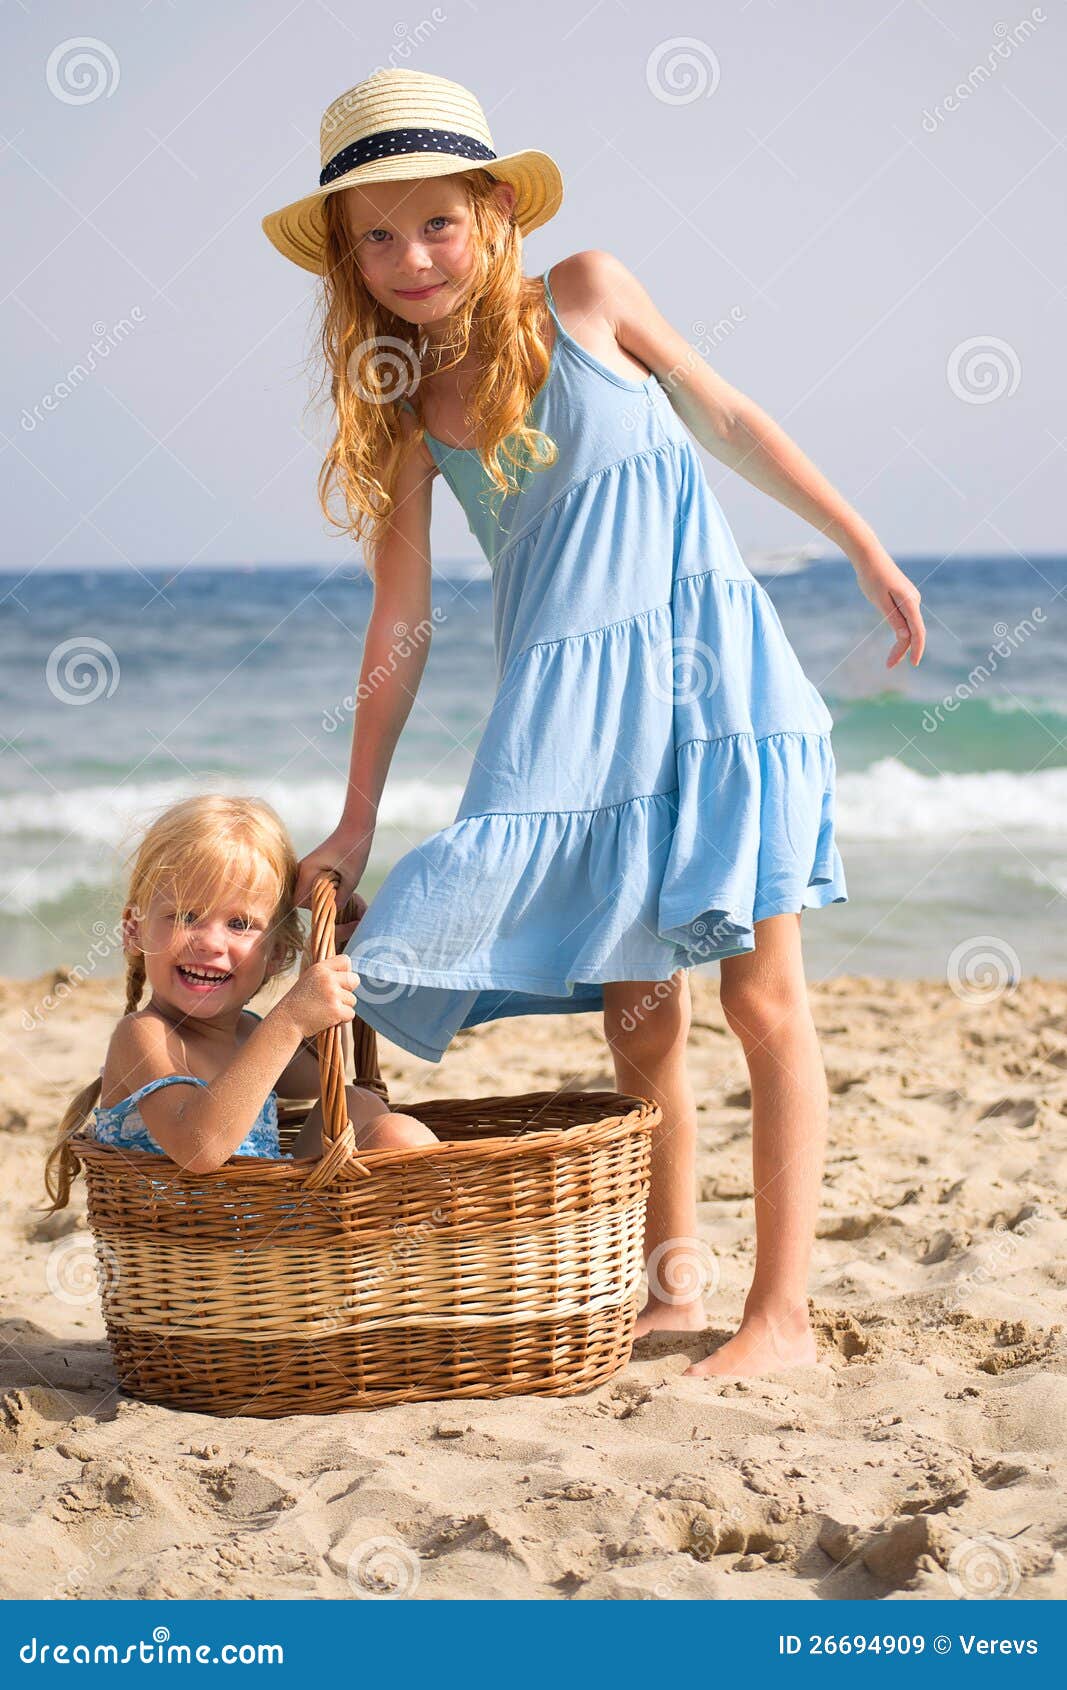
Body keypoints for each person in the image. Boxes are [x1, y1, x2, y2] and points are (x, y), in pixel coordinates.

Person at [261, 70, 925, 1377]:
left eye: (436, 223)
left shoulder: (587, 294)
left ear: (493, 210)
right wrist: (355, 816)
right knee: (639, 1023)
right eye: (377, 237)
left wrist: (860, 545)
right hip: (577, 729)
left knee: (761, 1002)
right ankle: (673, 1292)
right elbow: (401, 623)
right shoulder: (408, 409)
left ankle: (780, 1316)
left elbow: (730, 419)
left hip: (717, 689)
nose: (411, 257)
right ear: (347, 259)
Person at [42, 794, 435, 1214]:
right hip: (194, 1244)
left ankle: (425, 1227)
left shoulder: (248, 1031)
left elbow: (323, 1074)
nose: (210, 942)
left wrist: (317, 966)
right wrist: (289, 1019)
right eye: (185, 916)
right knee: (390, 1131)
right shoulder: (144, 1036)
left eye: (239, 924)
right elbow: (199, 1147)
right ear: (134, 931)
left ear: (277, 953)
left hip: (265, 1232)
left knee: (359, 1103)